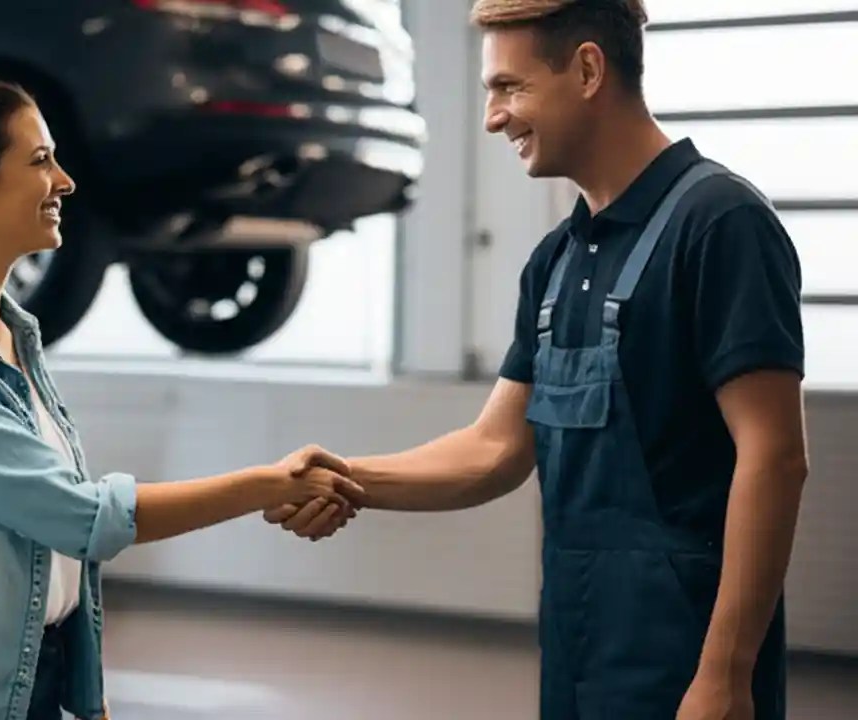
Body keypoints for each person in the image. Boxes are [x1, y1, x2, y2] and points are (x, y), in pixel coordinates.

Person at [266, 1, 809, 718]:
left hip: (687, 661)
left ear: (587, 69)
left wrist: (725, 674)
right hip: (579, 649)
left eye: (508, 87)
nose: (493, 117)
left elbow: (774, 457)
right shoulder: (555, 261)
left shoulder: (720, 224)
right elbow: (495, 448)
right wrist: (344, 478)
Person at [0, 77, 362, 720]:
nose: (64, 180)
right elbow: (75, 516)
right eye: (39, 160)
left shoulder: (13, 333)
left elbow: (49, 555)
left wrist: (85, 695)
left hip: (25, 689)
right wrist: (267, 485)